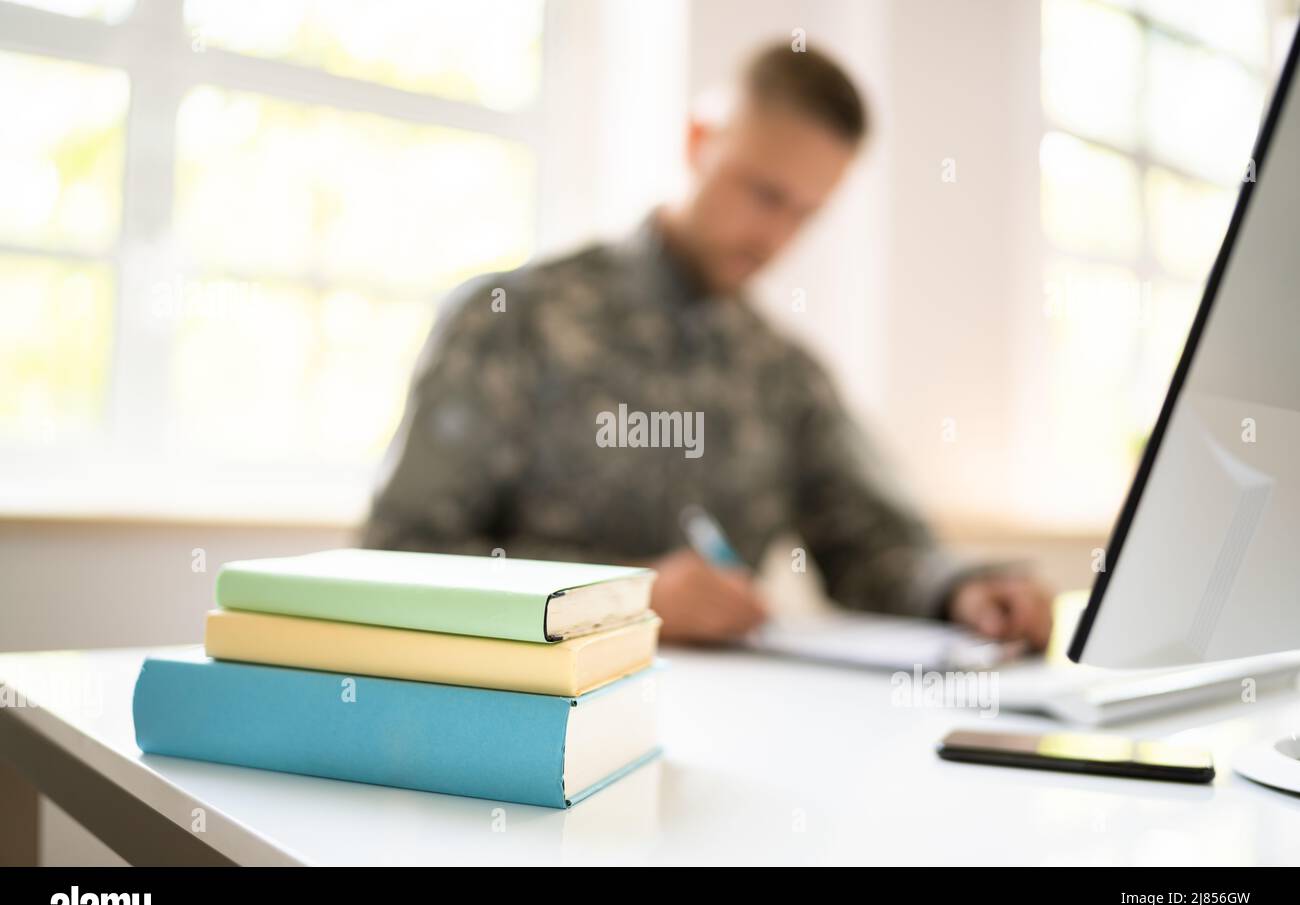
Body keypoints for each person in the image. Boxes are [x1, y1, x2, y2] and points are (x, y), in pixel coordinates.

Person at [362, 42, 1054, 648]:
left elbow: (872, 547)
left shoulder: (785, 374)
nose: (774, 235)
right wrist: (627, 596)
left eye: (805, 213)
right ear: (700, 141)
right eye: (761, 192)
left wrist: (961, 591)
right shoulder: (511, 320)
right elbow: (399, 557)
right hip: (523, 735)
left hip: (733, 745)